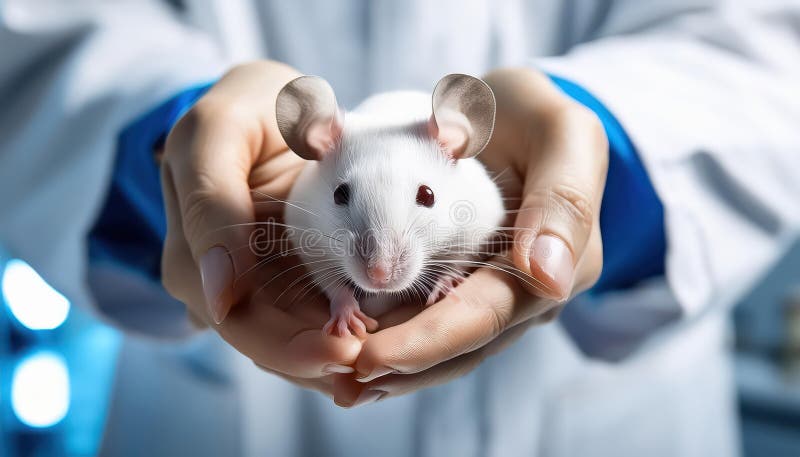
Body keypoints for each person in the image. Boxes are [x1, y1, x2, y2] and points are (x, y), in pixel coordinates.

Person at [1, 0, 799, 455]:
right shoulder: (313, 193)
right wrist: (170, 155)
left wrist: (607, 168)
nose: (383, 265)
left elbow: (769, 48)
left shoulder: (465, 185)